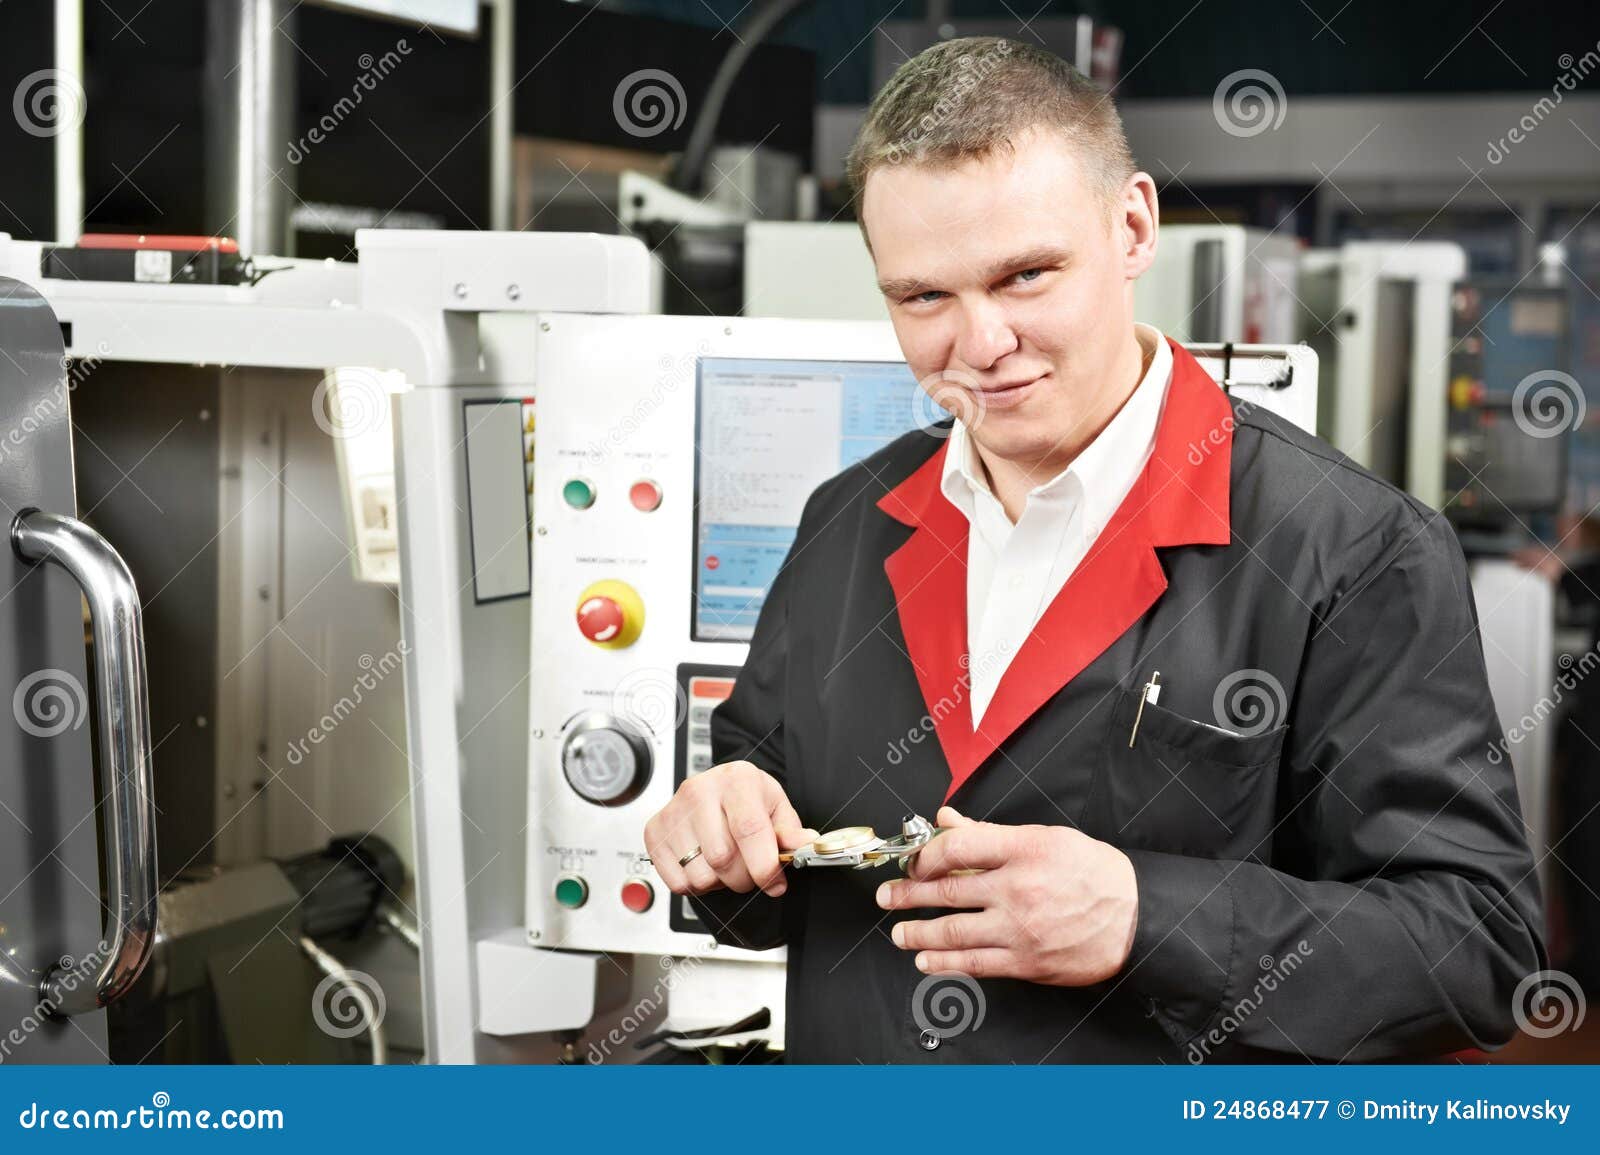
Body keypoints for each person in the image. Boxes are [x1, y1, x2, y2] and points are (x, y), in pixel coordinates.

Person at [644, 36, 1544, 1063]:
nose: (979, 345)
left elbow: (1477, 949)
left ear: (1132, 225)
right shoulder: (848, 517)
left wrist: (1143, 917)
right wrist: (716, 842)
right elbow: (764, 859)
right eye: (922, 298)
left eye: (1025, 276)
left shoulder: (1348, 550)